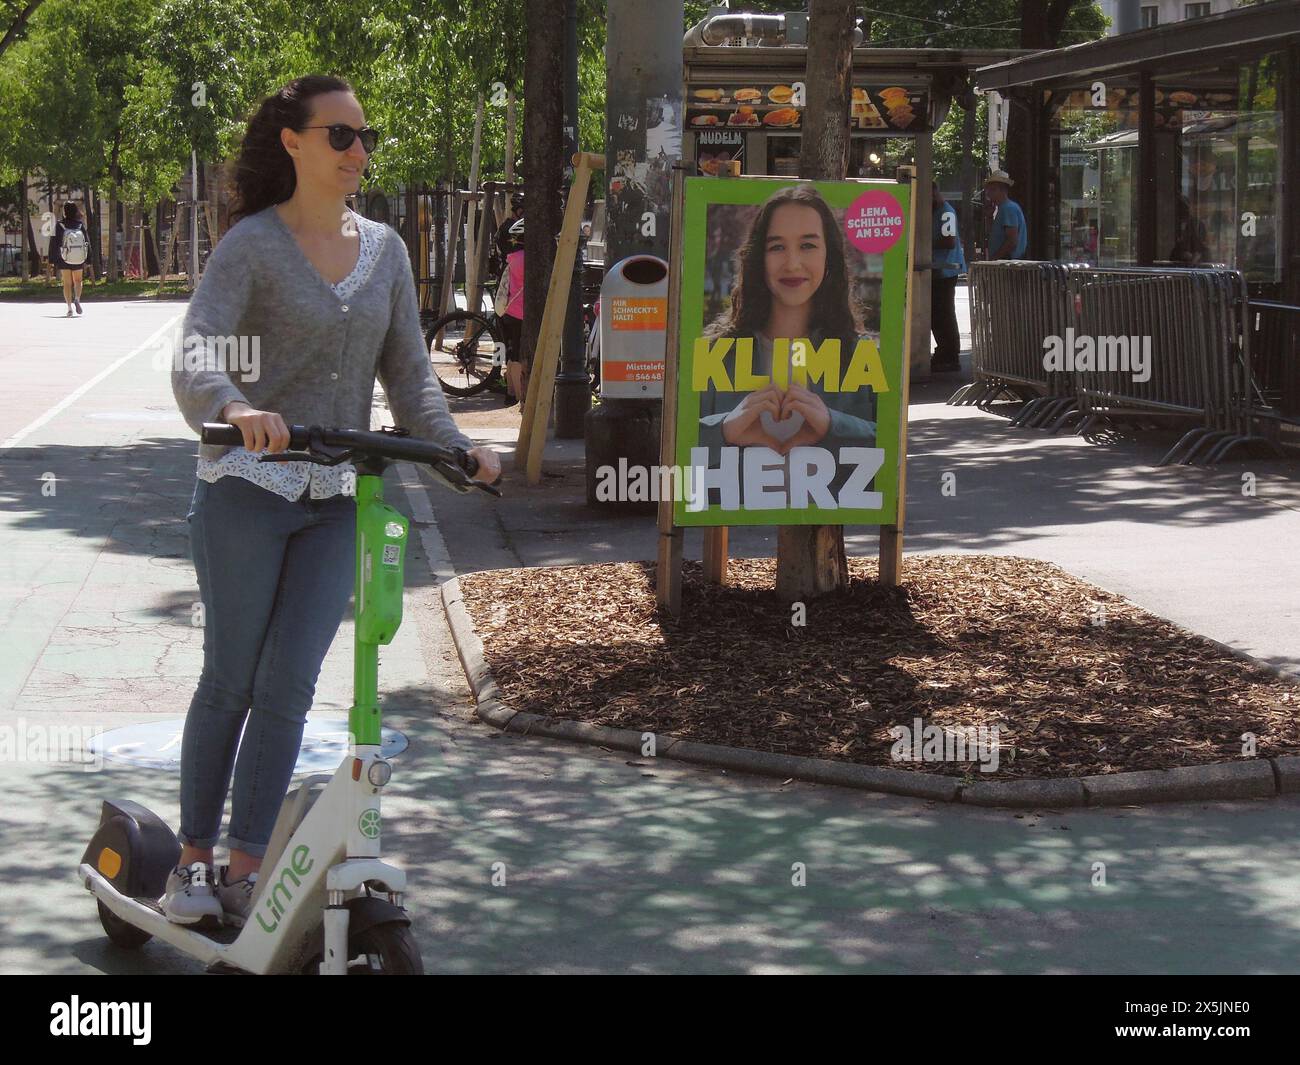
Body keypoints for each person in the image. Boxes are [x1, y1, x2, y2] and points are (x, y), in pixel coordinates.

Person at [167, 74, 500, 929]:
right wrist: (236, 409)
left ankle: (244, 874)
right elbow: (199, 353)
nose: (358, 152)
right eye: (341, 136)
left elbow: (412, 379)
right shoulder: (251, 245)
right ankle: (193, 862)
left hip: (336, 495)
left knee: (289, 687)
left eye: (364, 137)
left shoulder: (385, 250)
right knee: (230, 680)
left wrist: (456, 445)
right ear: (294, 142)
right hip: (247, 486)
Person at [698, 184, 877, 505]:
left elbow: (891, 449)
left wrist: (833, 426)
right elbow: (675, 444)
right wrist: (724, 429)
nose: (792, 263)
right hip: (738, 529)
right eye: (777, 247)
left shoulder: (862, 355)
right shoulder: (715, 353)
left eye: (808, 245)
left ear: (830, 256)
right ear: (758, 258)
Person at [930, 183, 965, 373]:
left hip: (945, 270)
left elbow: (949, 241)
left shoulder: (946, 213)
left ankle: (950, 353)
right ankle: (945, 351)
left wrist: (924, 241)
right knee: (938, 314)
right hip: (938, 269)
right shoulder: (938, 212)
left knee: (944, 314)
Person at [499, 215, 526, 402]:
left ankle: (509, 391)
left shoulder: (513, 258)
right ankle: (518, 394)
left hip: (509, 310)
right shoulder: (529, 259)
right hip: (522, 311)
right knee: (519, 352)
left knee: (510, 350)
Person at [51, 202, 89, 317]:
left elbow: (55, 243)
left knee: (67, 283)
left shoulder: (60, 225)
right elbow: (87, 242)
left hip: (64, 256)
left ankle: (69, 308)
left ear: (65, 212)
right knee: (78, 280)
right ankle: (77, 298)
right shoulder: (80, 225)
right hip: (78, 257)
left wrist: (54, 259)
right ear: (76, 211)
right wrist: (88, 259)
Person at [984, 171, 1027, 260]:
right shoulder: (1002, 209)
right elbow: (992, 235)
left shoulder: (1008, 208)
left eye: (992, 190)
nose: (988, 194)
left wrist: (995, 259)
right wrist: (989, 217)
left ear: (1002, 190)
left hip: (1006, 263)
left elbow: (1012, 241)